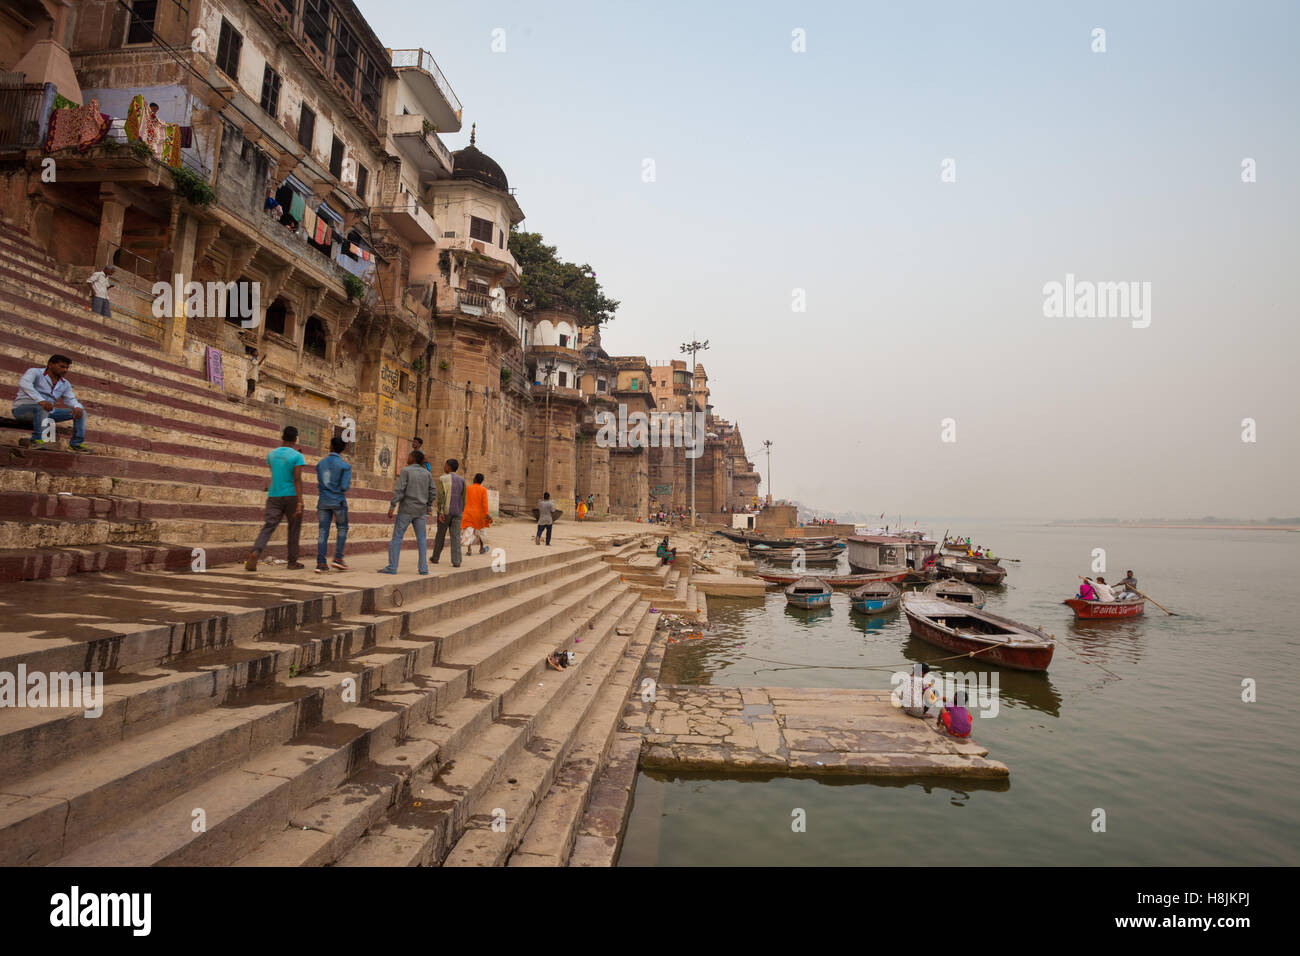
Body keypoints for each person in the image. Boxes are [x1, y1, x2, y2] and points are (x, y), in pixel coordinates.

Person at [246, 425, 306, 571]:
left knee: (268, 526)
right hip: (291, 496)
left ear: (282, 437)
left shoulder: (271, 454)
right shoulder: (298, 456)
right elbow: (297, 479)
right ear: (296, 438)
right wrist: (300, 501)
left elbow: (275, 472)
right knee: (293, 529)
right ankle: (292, 562)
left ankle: (256, 551)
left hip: (274, 495)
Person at [12, 354, 92, 452]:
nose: (65, 370)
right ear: (50, 365)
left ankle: (75, 445)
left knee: (81, 412)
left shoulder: (64, 383)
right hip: (22, 410)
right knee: (42, 408)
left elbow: (70, 399)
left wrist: (77, 407)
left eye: (67, 367)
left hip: (47, 413)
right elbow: (24, 384)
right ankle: (36, 440)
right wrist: (41, 401)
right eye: (62, 366)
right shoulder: (35, 372)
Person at [378, 449, 432, 574]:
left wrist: (392, 506)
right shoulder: (427, 474)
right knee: (422, 539)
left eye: (409, 455)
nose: (407, 457)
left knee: (397, 537)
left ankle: (392, 567)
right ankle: (423, 568)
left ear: (413, 458)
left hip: (406, 509)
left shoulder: (406, 471)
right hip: (420, 511)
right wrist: (428, 505)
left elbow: (400, 489)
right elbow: (432, 491)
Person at [314, 435, 351, 572]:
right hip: (338, 501)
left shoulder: (320, 464)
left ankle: (321, 562)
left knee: (323, 531)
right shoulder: (345, 466)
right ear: (342, 450)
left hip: (323, 501)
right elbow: (345, 486)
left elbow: (319, 483)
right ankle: (338, 558)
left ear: (330, 446)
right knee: (342, 528)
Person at [431, 458, 465, 567]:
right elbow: (463, 497)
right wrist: (461, 510)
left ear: (449, 467)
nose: (444, 467)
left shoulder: (442, 479)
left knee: (440, 535)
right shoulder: (462, 480)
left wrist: (440, 511)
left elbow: (441, 497)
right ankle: (457, 561)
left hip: (445, 512)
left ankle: (435, 557)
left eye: (445, 465)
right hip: (457, 512)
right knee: (455, 536)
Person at [461, 472, 491, 555]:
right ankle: (481, 549)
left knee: (469, 532)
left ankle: (469, 550)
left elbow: (463, 500)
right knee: (480, 532)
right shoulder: (483, 490)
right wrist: (486, 514)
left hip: (468, 514)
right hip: (479, 515)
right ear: (481, 481)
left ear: (475, 479)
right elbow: (484, 503)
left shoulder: (468, 488)